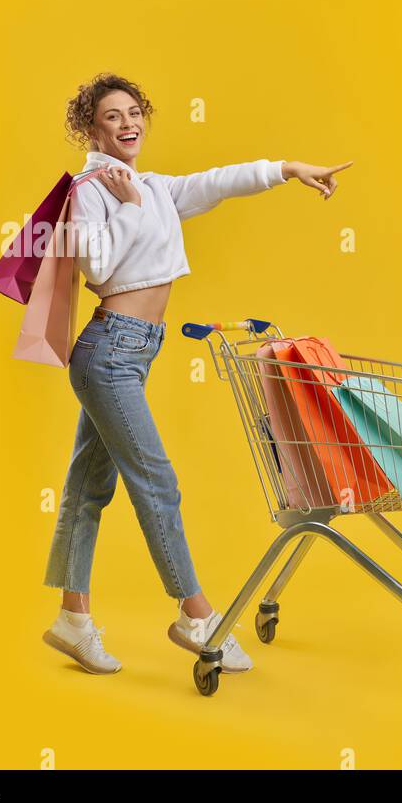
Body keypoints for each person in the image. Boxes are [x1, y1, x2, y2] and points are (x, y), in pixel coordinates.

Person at [41, 72, 352, 675]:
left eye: (134, 112)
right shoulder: (91, 190)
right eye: (112, 116)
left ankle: (72, 618)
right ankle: (197, 617)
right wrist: (128, 206)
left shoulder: (154, 188)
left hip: (134, 350)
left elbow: (218, 183)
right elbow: (97, 267)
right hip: (108, 353)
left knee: (87, 488)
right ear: (90, 128)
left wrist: (287, 169)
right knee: (157, 483)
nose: (128, 123)